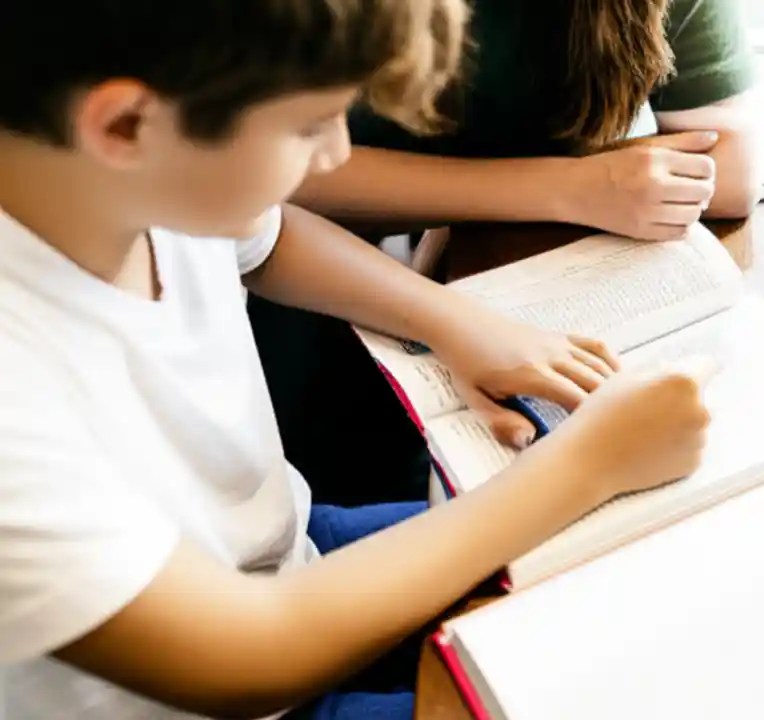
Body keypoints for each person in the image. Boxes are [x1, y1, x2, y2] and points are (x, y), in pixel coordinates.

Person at [0, 2, 712, 718]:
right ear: (126, 126)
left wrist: (457, 323)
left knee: (647, 570)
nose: (336, 154)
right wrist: (587, 465)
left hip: (287, 550)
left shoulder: (119, 178)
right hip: (245, 663)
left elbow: (270, 241)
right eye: (310, 125)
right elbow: (251, 655)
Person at [252, 0, 757, 507]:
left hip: (492, 280)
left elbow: (731, 168)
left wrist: (569, 190)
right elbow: (279, 182)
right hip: (318, 285)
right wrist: (563, 188)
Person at [295, 0, 761, 240]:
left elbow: (731, 170)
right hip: (313, 256)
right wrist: (566, 188)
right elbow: (292, 180)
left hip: (514, 259)